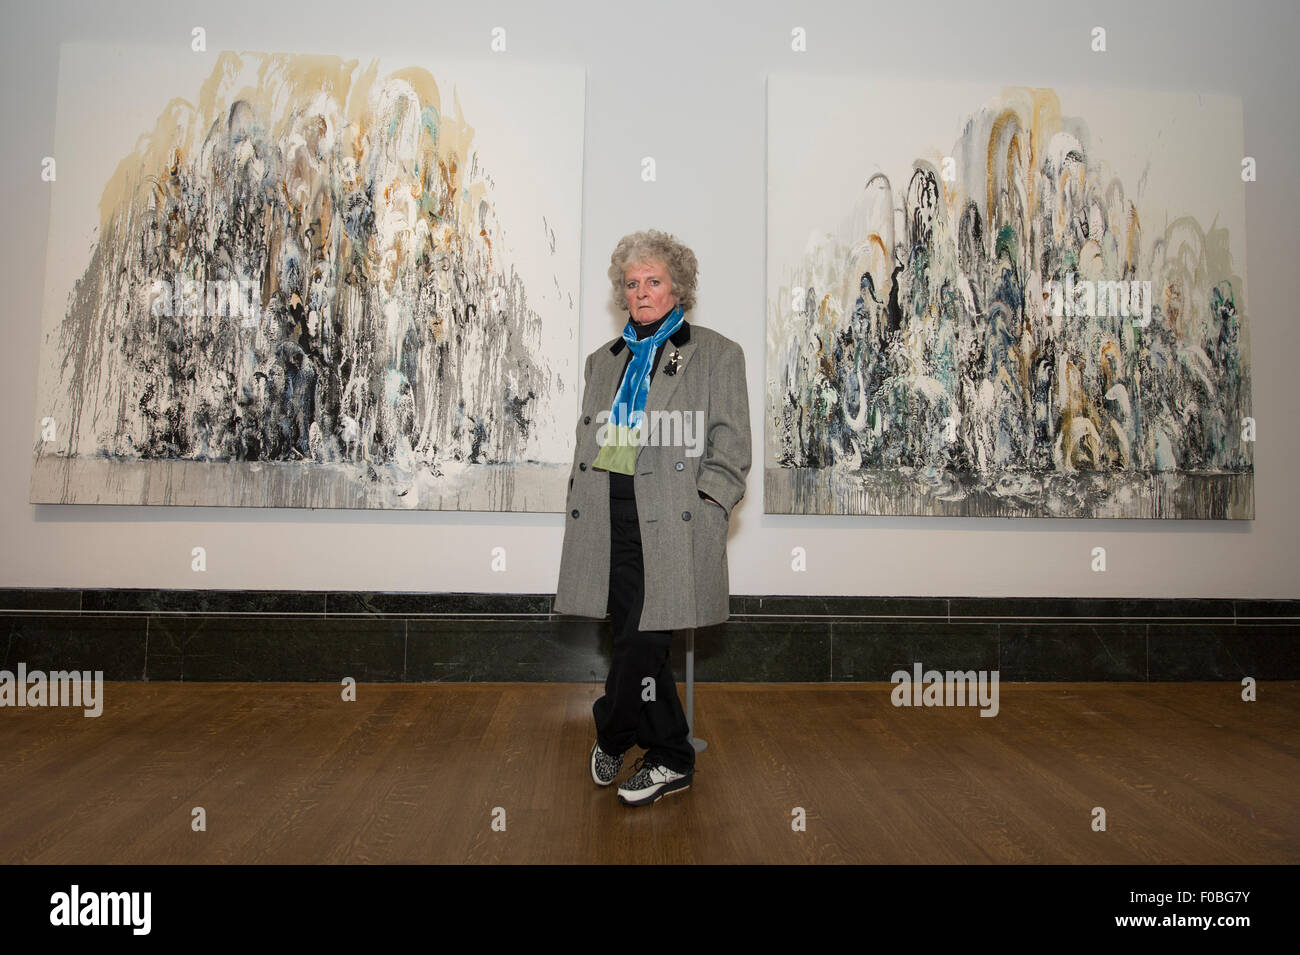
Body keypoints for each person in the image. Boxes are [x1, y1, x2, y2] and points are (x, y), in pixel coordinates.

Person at [553, 229, 751, 806]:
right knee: (635, 643)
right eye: (632, 283)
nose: (641, 293)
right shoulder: (604, 361)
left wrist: (711, 507)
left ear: (678, 286)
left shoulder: (716, 354)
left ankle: (628, 738)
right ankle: (663, 751)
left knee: (641, 642)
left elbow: (731, 448)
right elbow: (591, 445)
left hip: (671, 523)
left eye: (653, 282)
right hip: (605, 522)